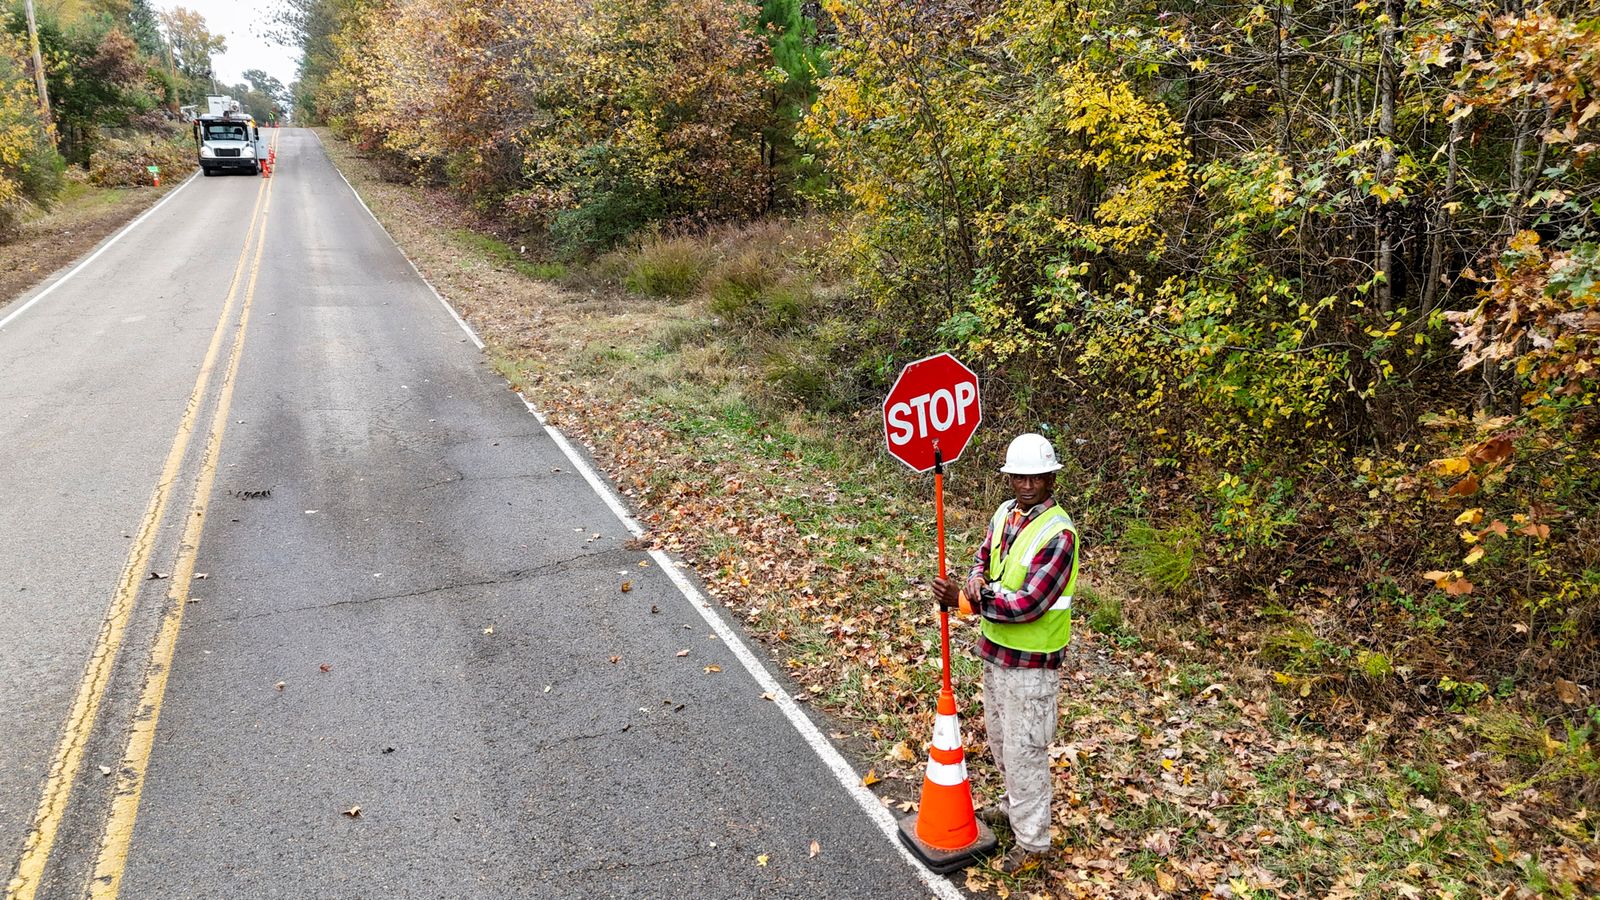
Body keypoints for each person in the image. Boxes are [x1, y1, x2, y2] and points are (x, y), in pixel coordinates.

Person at [930, 432, 1078, 875]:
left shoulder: (1059, 534)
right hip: (996, 652)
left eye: (1036, 476)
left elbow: (1029, 603)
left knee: (1025, 750)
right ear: (1010, 477)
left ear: (1051, 478)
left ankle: (1033, 845)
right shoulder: (1005, 515)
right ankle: (1015, 807)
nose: (1027, 483)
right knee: (1000, 742)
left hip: (1032, 665)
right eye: (1019, 475)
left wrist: (968, 601)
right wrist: (975, 579)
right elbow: (984, 557)